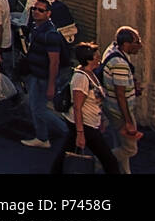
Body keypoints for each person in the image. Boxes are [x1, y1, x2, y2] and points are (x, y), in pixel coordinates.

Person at [51, 43, 120, 174]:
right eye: (96, 55)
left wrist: (101, 120)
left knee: (64, 155)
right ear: (89, 59)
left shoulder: (91, 74)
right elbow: (77, 107)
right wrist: (80, 134)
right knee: (109, 160)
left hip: (90, 123)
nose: (99, 57)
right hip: (85, 124)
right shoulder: (81, 78)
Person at [20, 0, 68, 149]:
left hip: (44, 78)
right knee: (35, 107)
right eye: (34, 9)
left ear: (48, 13)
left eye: (41, 10)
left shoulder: (50, 34)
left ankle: (66, 131)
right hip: (36, 74)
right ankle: (42, 137)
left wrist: (51, 85)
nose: (36, 12)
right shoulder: (36, 28)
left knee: (38, 109)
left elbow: (54, 61)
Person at [100, 26, 143, 174]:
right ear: (126, 44)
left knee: (119, 142)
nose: (140, 45)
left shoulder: (113, 50)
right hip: (119, 111)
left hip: (111, 108)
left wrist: (132, 84)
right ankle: (99, 162)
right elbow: (120, 94)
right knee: (130, 149)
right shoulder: (120, 63)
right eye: (137, 42)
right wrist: (128, 121)